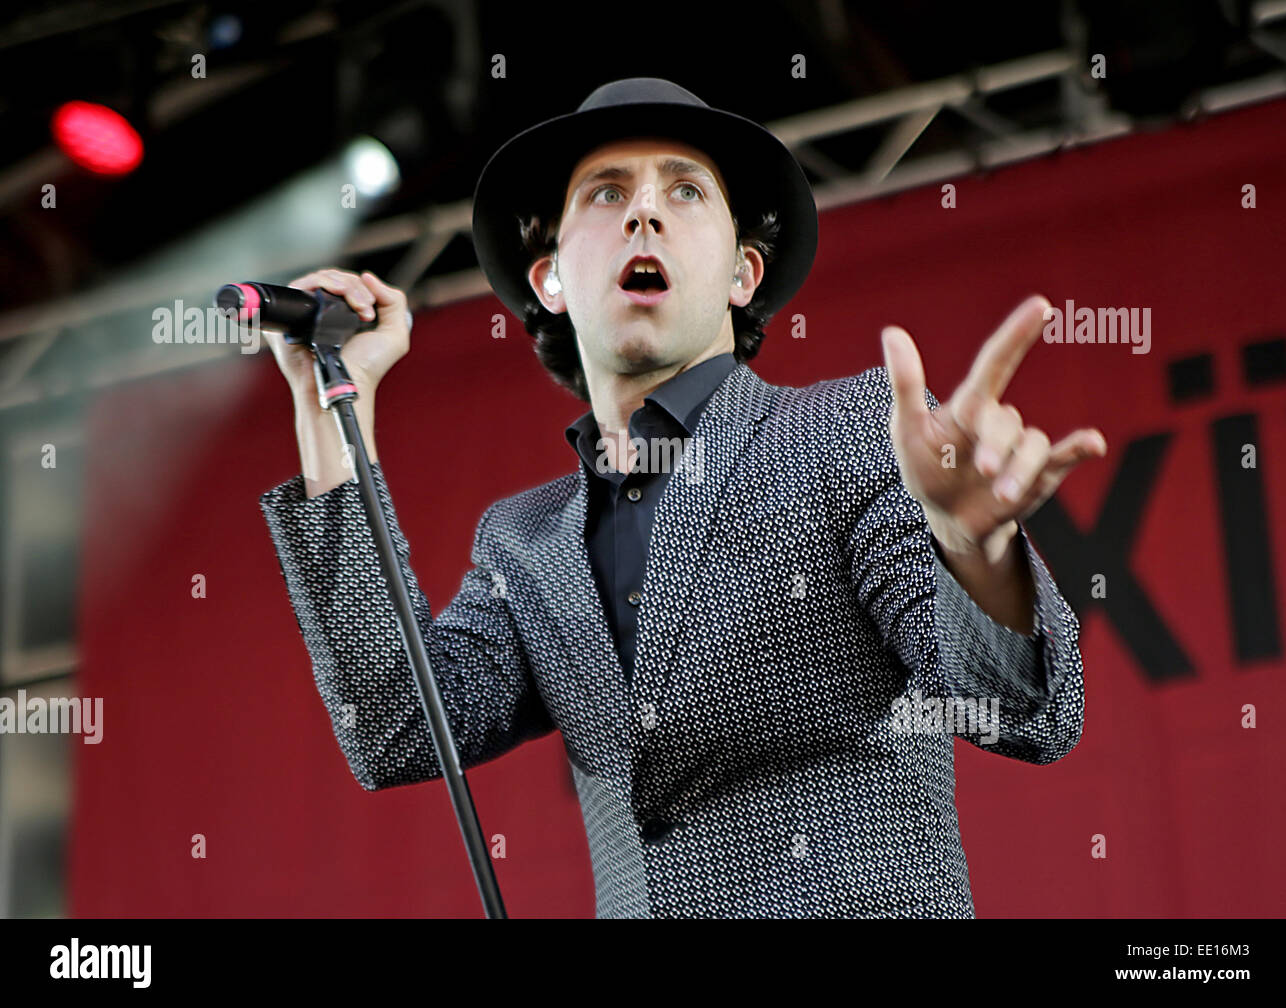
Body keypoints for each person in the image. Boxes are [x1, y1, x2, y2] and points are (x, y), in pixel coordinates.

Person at [259, 78, 1107, 918]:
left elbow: (1027, 713)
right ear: (550, 279)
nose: (644, 213)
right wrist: (330, 398)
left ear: (743, 274)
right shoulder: (522, 540)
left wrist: (972, 548)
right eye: (607, 192)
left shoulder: (855, 430)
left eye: (686, 190)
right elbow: (395, 724)